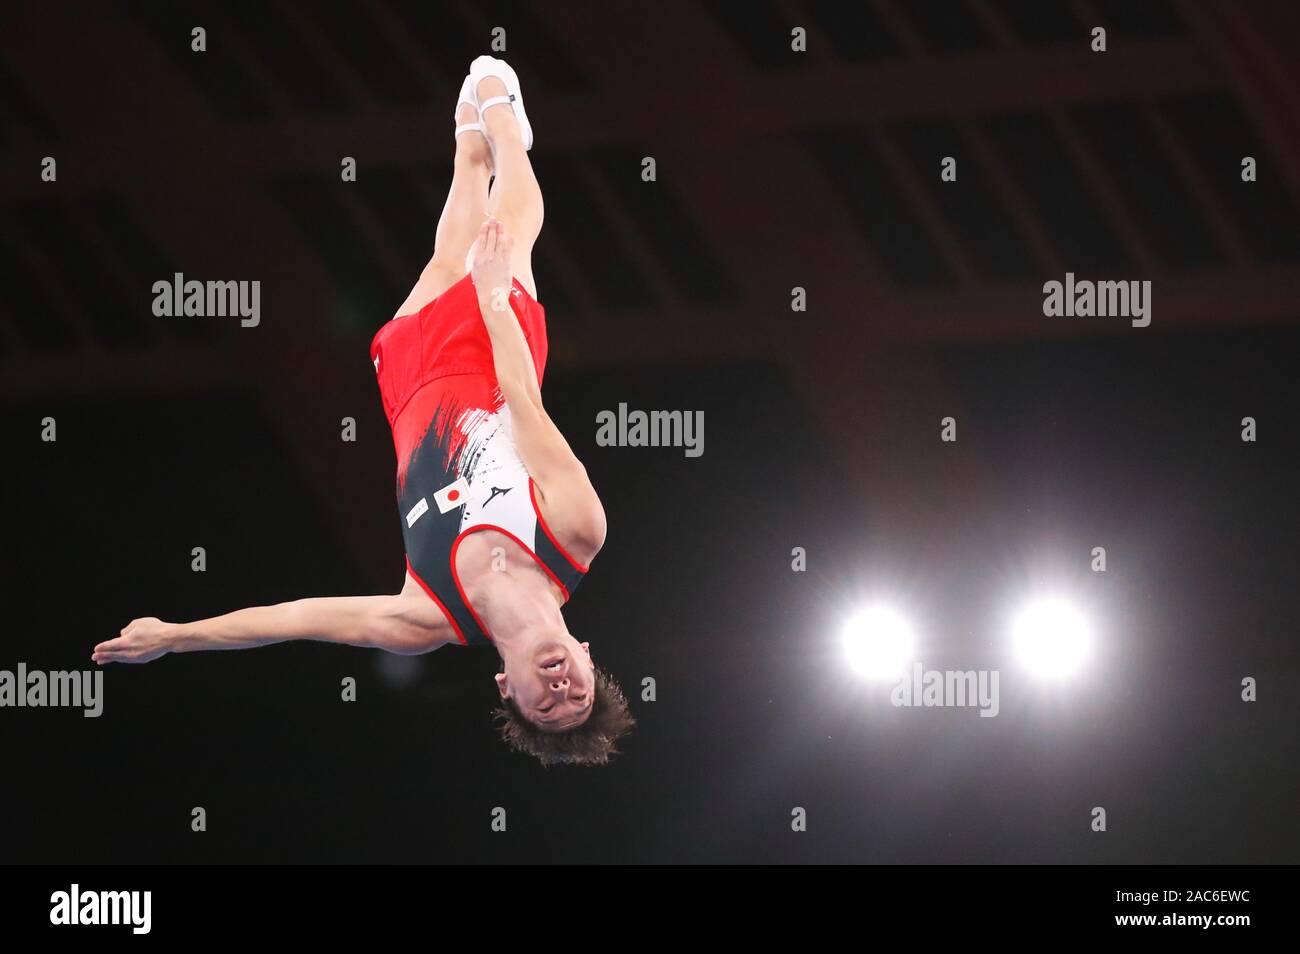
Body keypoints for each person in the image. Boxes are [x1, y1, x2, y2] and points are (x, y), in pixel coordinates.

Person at [92, 56, 634, 767]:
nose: (561, 691)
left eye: (545, 705)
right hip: (491, 356)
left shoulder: (426, 615)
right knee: (508, 233)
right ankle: (505, 115)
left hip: (410, 385)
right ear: (587, 657)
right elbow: (525, 405)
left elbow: (295, 620)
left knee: (449, 248)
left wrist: (174, 633)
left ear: (506, 687)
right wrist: (496, 296)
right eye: (579, 695)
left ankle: (469, 140)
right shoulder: (574, 531)